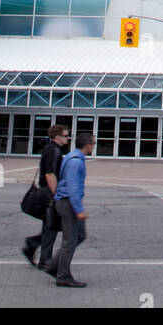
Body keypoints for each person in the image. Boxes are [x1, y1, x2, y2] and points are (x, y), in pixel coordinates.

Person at [44, 129, 96, 288]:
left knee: (79, 235)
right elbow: (73, 188)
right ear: (87, 145)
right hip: (68, 203)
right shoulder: (75, 162)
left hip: (67, 201)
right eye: (93, 143)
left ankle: (55, 266)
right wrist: (78, 209)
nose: (94, 146)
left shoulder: (72, 157)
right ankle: (62, 275)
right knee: (70, 240)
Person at [22, 123, 69, 269]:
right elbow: (50, 174)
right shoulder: (53, 150)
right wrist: (56, 195)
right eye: (65, 136)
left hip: (46, 191)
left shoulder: (51, 149)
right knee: (52, 226)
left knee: (51, 225)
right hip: (48, 192)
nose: (68, 138)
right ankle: (44, 257)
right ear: (57, 137)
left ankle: (35, 247)